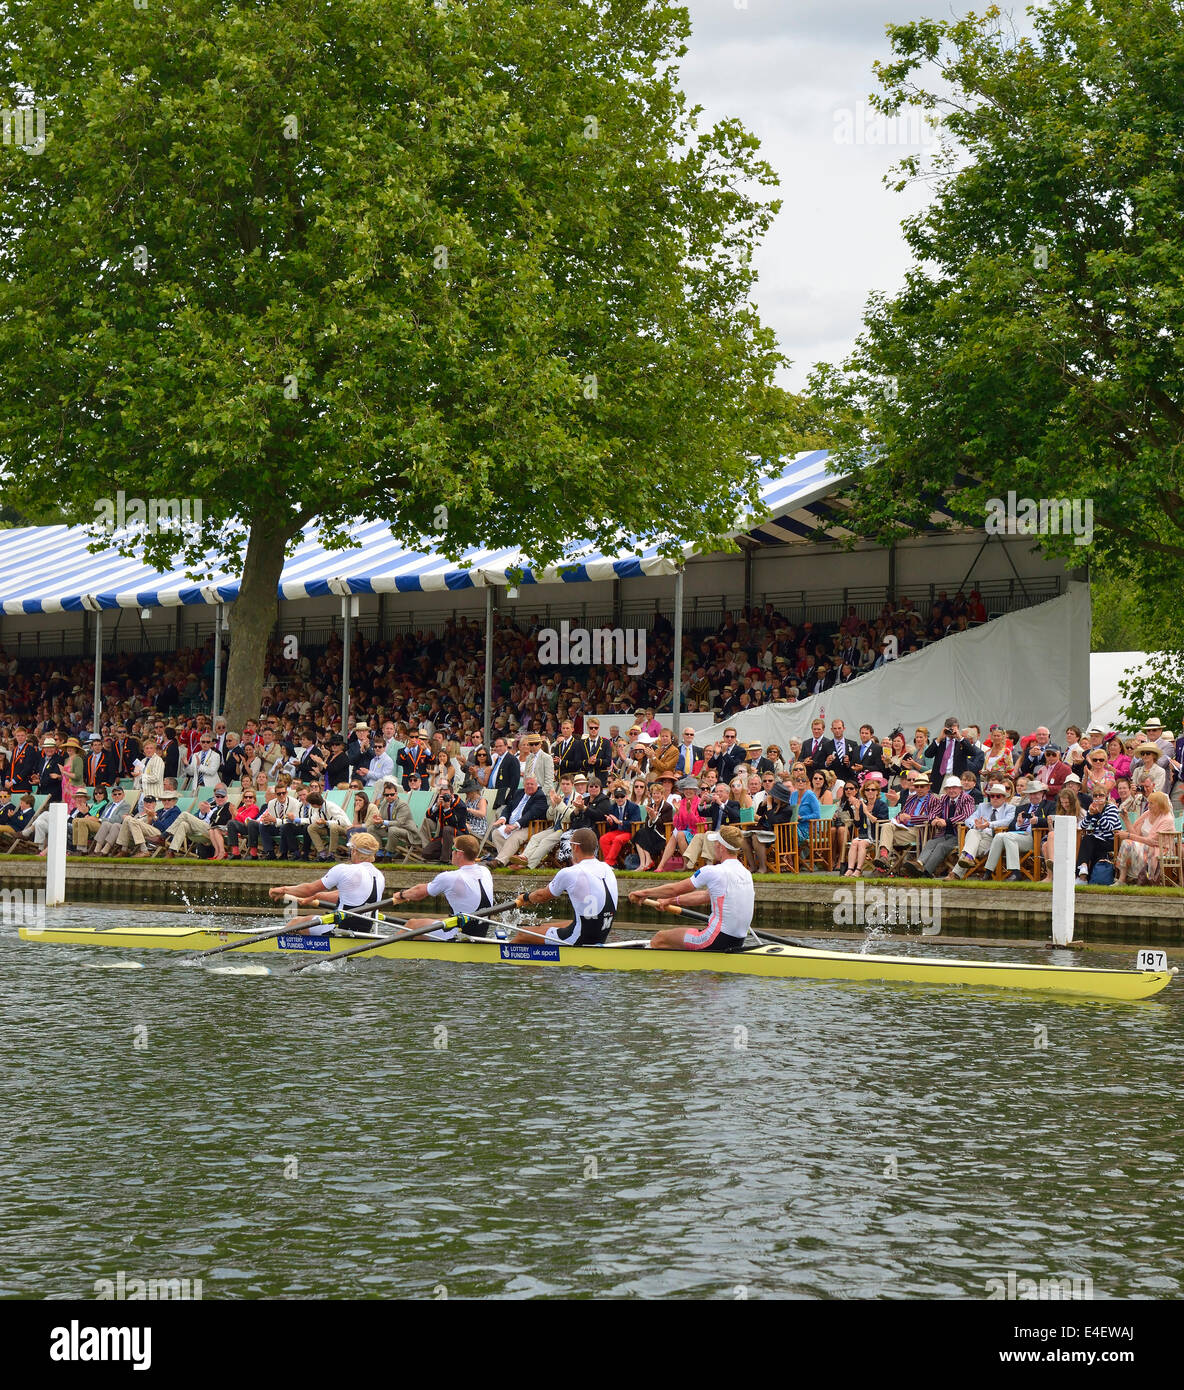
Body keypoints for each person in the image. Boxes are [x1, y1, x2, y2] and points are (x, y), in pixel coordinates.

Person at [630, 824, 754, 953]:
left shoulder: (713, 871)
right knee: (674, 941)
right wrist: (669, 901)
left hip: (713, 939)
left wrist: (644, 893)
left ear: (720, 846)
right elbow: (705, 896)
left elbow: (675, 889)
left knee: (660, 938)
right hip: (737, 941)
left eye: (715, 843)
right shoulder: (746, 873)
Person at [507, 828, 618, 946]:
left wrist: (526, 898)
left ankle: (504, 957)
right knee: (544, 927)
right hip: (600, 934)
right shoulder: (608, 869)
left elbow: (541, 896)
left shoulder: (569, 872)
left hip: (579, 939)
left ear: (575, 847)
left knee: (523, 934)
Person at [268, 832, 387, 934]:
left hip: (340, 928)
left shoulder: (345, 869)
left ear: (354, 851)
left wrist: (283, 889)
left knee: (296, 922)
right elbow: (350, 896)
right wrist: (316, 897)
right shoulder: (379, 876)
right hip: (364, 930)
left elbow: (309, 888)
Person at [388, 834, 494, 940]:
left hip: (461, 935)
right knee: (441, 920)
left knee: (412, 924)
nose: (451, 852)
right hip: (480, 932)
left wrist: (401, 895)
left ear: (459, 853)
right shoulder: (485, 871)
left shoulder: (450, 877)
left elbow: (419, 892)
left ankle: (386, 950)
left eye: (453, 848)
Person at [947, 783, 1016, 878]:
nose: (994, 798)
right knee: (972, 831)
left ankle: (956, 873)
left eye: (998, 796)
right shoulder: (983, 806)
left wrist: (989, 824)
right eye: (992, 796)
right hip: (978, 836)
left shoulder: (1010, 808)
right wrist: (976, 825)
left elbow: (1008, 821)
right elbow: (968, 820)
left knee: (968, 850)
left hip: (995, 839)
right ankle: (967, 860)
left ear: (1004, 798)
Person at [1114, 791, 1176, 885]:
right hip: (1144, 845)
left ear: (1160, 805)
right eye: (1148, 802)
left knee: (1128, 842)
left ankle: (1130, 879)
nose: (1149, 805)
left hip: (1160, 849)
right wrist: (1126, 819)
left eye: (1151, 803)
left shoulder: (1167, 819)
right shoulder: (1147, 814)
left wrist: (1129, 836)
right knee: (1127, 843)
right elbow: (1136, 834)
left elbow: (1151, 841)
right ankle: (1122, 879)